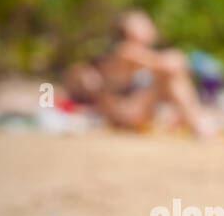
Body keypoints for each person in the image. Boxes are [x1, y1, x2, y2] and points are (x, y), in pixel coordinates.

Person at [74, 10, 210, 136]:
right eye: (145, 24)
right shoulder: (127, 51)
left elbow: (173, 64)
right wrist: (177, 59)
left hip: (133, 110)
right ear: (131, 31)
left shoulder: (136, 53)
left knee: (171, 77)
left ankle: (195, 119)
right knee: (168, 77)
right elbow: (168, 66)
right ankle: (197, 121)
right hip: (123, 114)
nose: (151, 27)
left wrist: (177, 60)